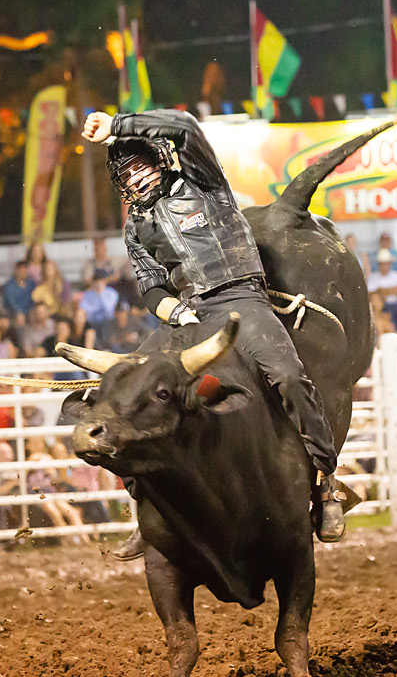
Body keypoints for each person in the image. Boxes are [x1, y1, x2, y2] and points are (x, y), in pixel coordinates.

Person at [83, 106, 346, 548]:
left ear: (160, 159)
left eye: (140, 167)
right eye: (127, 175)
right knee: (126, 391)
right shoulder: (136, 229)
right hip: (189, 317)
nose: (136, 179)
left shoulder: (202, 182)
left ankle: (326, 485)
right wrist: (175, 313)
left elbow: (185, 125)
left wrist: (116, 126)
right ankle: (148, 508)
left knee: (288, 377)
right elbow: (150, 287)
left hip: (241, 301)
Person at [367, 250, 397, 331]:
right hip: (383, 305)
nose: (385, 266)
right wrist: (393, 290)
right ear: (379, 264)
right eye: (382, 264)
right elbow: (372, 293)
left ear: (390, 264)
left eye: (387, 263)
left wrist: (383, 291)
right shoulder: (373, 277)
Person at [1, 260, 37, 326]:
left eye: (25, 271)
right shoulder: (9, 286)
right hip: (13, 312)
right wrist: (21, 312)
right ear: (16, 271)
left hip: (29, 310)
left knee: (34, 313)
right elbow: (12, 304)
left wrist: (31, 310)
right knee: (19, 316)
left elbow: (34, 299)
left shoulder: (31, 284)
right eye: (21, 271)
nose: (23, 273)